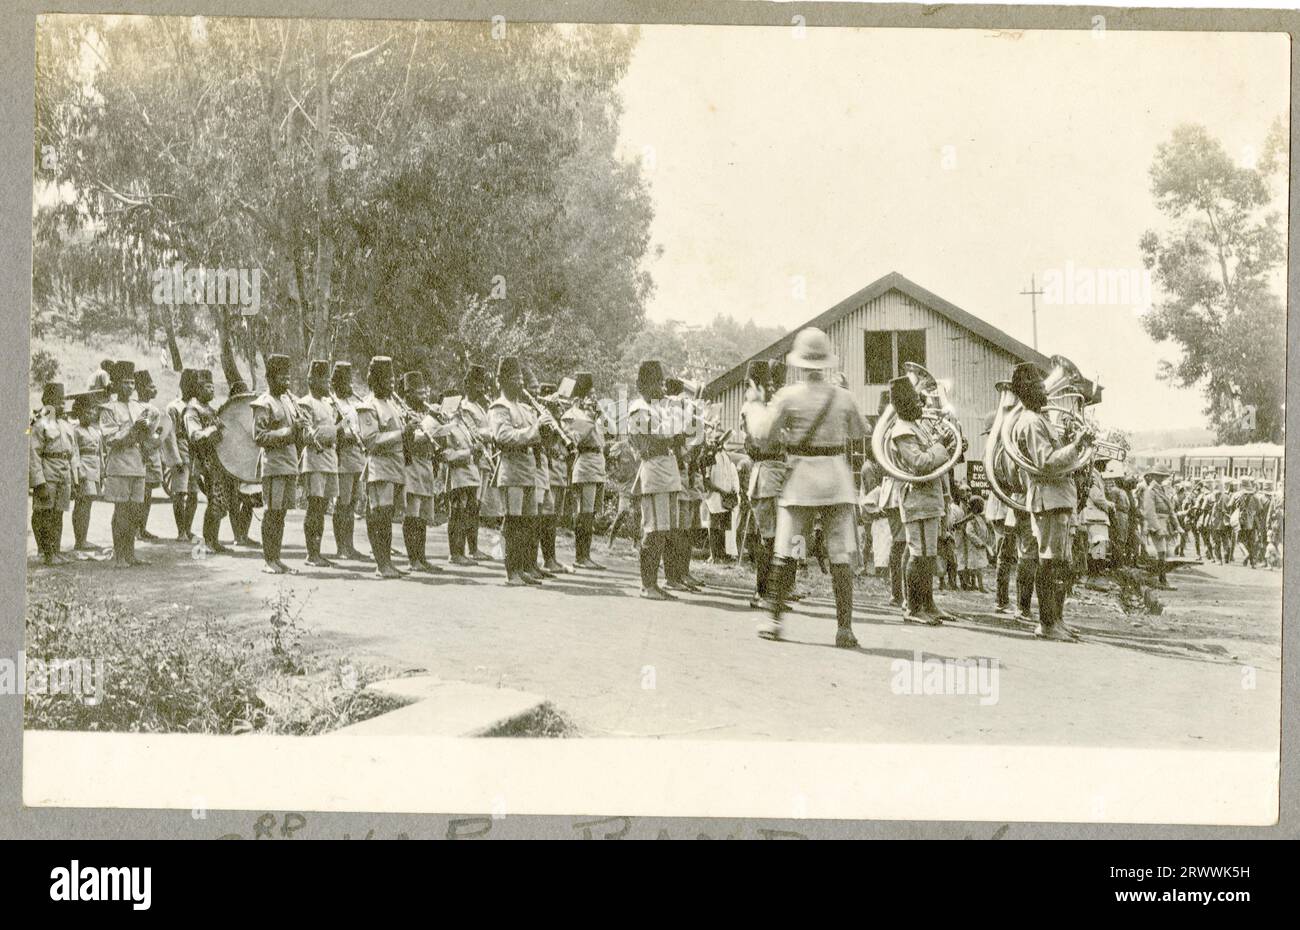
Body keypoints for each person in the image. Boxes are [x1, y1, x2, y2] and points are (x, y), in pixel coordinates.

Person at [750, 328, 868, 648]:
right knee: (839, 553)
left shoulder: (788, 396)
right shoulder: (843, 396)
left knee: (787, 548)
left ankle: (774, 622)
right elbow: (860, 431)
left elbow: (763, 435)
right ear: (827, 361)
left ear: (799, 362)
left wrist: (757, 407)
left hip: (802, 477)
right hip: (836, 478)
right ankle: (845, 629)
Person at [1008, 362, 1090, 642]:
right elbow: (1047, 462)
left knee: (1059, 563)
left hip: (1057, 499)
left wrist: (1071, 445)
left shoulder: (1038, 419)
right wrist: (1077, 446)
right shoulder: (1031, 422)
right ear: (1029, 391)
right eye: (1042, 387)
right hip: (1049, 500)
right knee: (1049, 563)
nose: (1047, 390)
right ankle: (1046, 624)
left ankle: (1056, 619)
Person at [886, 373, 956, 626]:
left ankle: (928, 604)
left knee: (928, 554)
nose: (922, 404)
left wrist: (950, 449)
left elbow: (932, 456)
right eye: (916, 400)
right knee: (919, 554)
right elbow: (920, 463)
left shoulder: (915, 426)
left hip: (928, 498)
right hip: (916, 498)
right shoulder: (902, 431)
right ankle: (914, 608)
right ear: (904, 404)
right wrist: (941, 448)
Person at [489, 356, 552, 586]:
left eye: (521, 378)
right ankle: (511, 571)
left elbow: (535, 436)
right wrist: (535, 430)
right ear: (502, 381)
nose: (520, 383)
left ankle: (522, 567)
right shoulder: (500, 407)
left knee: (527, 522)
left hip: (528, 470)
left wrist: (547, 433)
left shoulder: (524, 407)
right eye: (515, 379)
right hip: (512, 469)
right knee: (513, 521)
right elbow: (503, 437)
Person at [627, 359, 684, 600]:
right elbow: (661, 434)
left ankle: (653, 583)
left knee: (663, 530)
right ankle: (647, 584)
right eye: (658, 384)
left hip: (665, 470)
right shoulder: (638, 409)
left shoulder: (657, 407)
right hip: (654, 470)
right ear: (645, 385)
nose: (662, 389)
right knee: (653, 530)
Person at [740, 360, 787, 608]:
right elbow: (761, 441)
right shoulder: (752, 408)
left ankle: (773, 591)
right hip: (766, 474)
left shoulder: (764, 407)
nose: (771, 387)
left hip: (776, 473)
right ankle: (762, 592)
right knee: (768, 539)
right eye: (766, 383)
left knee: (776, 538)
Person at [358, 356, 410, 579]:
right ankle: (381, 564)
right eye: (386, 379)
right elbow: (370, 441)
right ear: (375, 380)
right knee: (379, 515)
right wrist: (401, 434)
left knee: (387, 517)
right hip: (379, 468)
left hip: (395, 467)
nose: (391, 383)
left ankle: (387, 561)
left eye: (392, 378)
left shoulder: (391, 404)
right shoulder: (368, 405)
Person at [251, 354, 302, 575]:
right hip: (273, 466)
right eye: (282, 378)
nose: (286, 383)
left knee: (281, 515)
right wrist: (289, 431)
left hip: (289, 464)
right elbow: (259, 437)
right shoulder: (264, 403)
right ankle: (268, 560)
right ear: (270, 378)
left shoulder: (288, 402)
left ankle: (277, 558)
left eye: (288, 378)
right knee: (271, 513)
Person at [98, 361, 153, 567]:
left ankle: (130, 554)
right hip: (120, 464)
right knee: (121, 511)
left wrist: (149, 436)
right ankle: (119, 555)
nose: (129, 387)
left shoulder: (139, 407)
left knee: (135, 511)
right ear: (115, 384)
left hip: (138, 464)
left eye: (132, 383)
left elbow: (148, 435)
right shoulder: (108, 409)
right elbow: (111, 439)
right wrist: (132, 430)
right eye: (125, 382)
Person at [396, 370, 443, 574]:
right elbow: (409, 440)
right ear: (407, 394)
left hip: (426, 464)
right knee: (412, 514)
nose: (423, 397)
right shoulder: (403, 412)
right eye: (418, 393)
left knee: (423, 516)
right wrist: (428, 434)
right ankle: (412, 559)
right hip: (411, 464)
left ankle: (422, 557)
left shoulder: (426, 413)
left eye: (425, 392)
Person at [297, 360, 341, 568]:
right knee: (315, 507)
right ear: (312, 381)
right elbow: (307, 434)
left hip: (329, 460)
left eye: (329, 380)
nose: (328, 385)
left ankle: (317, 551)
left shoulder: (328, 403)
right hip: (315, 460)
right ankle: (311, 553)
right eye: (324, 380)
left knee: (323, 507)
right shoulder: (305, 402)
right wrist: (337, 430)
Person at [562, 374, 609, 571]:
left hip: (598, 463)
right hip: (585, 462)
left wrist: (600, 414)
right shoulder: (572, 414)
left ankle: (586, 555)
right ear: (580, 396)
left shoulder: (593, 415)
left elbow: (612, 430)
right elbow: (576, 439)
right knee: (585, 513)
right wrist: (590, 418)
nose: (593, 398)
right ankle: (581, 556)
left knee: (591, 512)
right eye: (590, 394)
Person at [184, 370, 234, 554]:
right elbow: (195, 435)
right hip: (204, 463)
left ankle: (214, 540)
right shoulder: (192, 410)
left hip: (217, 462)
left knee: (219, 502)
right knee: (215, 501)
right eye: (208, 387)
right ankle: (208, 541)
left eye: (213, 387)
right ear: (198, 388)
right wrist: (213, 428)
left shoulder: (210, 409)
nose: (212, 390)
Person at [29, 381, 79, 565]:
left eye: (63, 401)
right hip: (47, 472)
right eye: (57, 400)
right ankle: (47, 553)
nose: (61, 404)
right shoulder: (38, 423)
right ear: (46, 401)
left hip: (63, 473)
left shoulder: (66, 426)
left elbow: (72, 454)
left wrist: (75, 480)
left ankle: (56, 551)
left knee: (58, 514)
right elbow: (33, 454)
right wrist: (39, 482)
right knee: (45, 513)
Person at [328, 361, 370, 562]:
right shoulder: (332, 405)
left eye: (351, 382)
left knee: (352, 505)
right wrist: (349, 437)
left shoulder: (353, 405)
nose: (350, 387)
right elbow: (333, 432)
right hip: (342, 459)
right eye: (346, 383)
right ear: (336, 384)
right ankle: (341, 547)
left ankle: (350, 546)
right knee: (342, 504)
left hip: (356, 459)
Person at [440, 389, 483, 567]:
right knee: (457, 514)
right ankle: (455, 553)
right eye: (456, 405)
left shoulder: (463, 425)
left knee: (468, 513)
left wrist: (477, 451)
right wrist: (469, 452)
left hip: (470, 475)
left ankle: (463, 551)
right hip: (457, 477)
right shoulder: (446, 426)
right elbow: (446, 454)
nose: (459, 409)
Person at [458, 364, 496, 562]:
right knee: (469, 504)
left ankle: (473, 547)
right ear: (467, 385)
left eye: (481, 385)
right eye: (475, 385)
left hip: (484, 460)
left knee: (477, 505)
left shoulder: (480, 406)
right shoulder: (464, 407)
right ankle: (467, 548)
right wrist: (491, 435)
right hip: (473, 459)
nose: (480, 389)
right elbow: (471, 431)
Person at [165, 370, 199, 542]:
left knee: (193, 493)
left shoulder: (196, 407)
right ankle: (181, 531)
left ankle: (188, 528)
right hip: (181, 449)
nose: (191, 389)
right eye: (188, 385)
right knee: (180, 492)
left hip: (194, 453)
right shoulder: (173, 407)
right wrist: (175, 458)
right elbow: (169, 434)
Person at [69, 391, 103, 553]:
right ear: (78, 413)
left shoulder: (96, 431)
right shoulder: (76, 431)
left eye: (92, 411)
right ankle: (79, 540)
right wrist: (78, 473)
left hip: (94, 470)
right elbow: (74, 454)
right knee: (81, 505)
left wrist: (102, 473)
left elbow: (100, 454)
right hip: (83, 470)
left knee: (88, 505)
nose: (90, 415)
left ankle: (84, 537)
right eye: (86, 412)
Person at [133, 370, 165, 542]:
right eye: (151, 387)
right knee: (141, 493)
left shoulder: (153, 408)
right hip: (143, 453)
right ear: (142, 388)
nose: (155, 389)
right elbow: (142, 432)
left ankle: (142, 527)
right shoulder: (140, 408)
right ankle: (137, 528)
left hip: (152, 453)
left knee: (148, 494)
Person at [1139, 467, 1178, 589]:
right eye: (1159, 476)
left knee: (1163, 553)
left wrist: (1177, 526)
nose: (1162, 478)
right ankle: (1161, 581)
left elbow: (1170, 510)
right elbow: (1149, 512)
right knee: (1161, 552)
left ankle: (1161, 580)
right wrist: (1157, 528)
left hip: (1164, 523)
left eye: (1163, 476)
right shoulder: (1151, 491)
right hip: (1157, 524)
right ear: (1154, 476)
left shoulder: (1160, 489)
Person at [956, 495, 992, 592]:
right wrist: (979, 542)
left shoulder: (978, 517)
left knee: (977, 567)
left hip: (980, 546)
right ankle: (980, 586)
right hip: (975, 547)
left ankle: (974, 584)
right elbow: (970, 532)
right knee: (977, 568)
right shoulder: (972, 519)